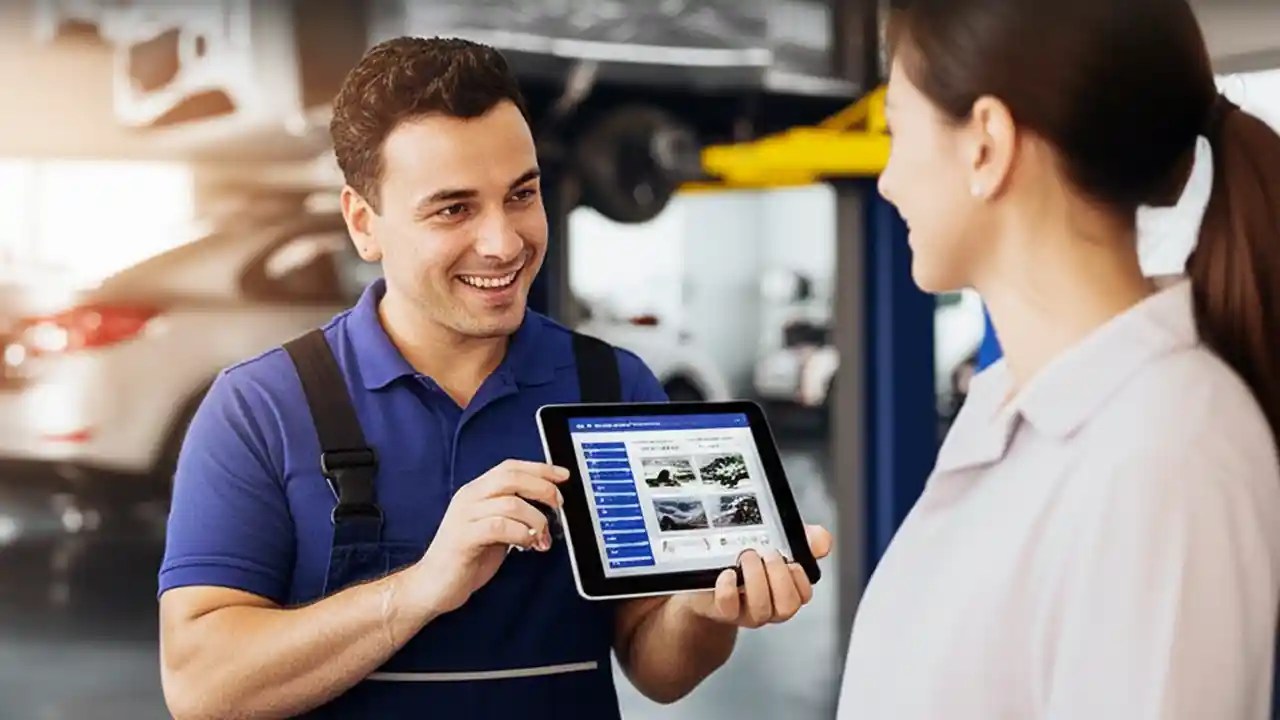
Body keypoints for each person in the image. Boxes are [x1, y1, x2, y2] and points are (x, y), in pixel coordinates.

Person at [157, 37, 831, 720]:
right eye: (453, 209)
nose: (504, 242)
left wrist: (702, 607)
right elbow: (203, 689)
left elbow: (658, 671)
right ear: (365, 224)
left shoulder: (611, 387)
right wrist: (422, 588)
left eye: (522, 195)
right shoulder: (261, 408)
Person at [838, 1, 1280, 718]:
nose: (887, 180)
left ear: (986, 141)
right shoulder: (1010, 404)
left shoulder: (1165, 452)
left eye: (896, 129)